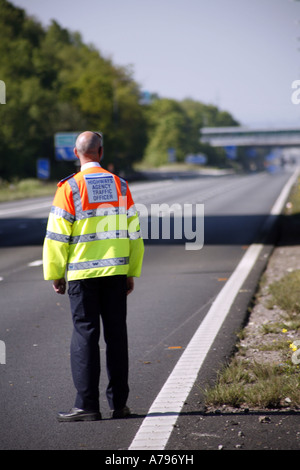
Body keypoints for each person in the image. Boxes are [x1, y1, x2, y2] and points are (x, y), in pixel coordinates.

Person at [43, 131, 144, 422]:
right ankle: (119, 405)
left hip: (81, 275)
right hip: (115, 273)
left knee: (85, 336)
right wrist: (130, 270)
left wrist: (55, 272)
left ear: (77, 153)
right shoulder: (121, 186)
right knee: (116, 336)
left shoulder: (69, 187)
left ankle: (87, 405)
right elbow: (134, 232)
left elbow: (57, 235)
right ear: (101, 151)